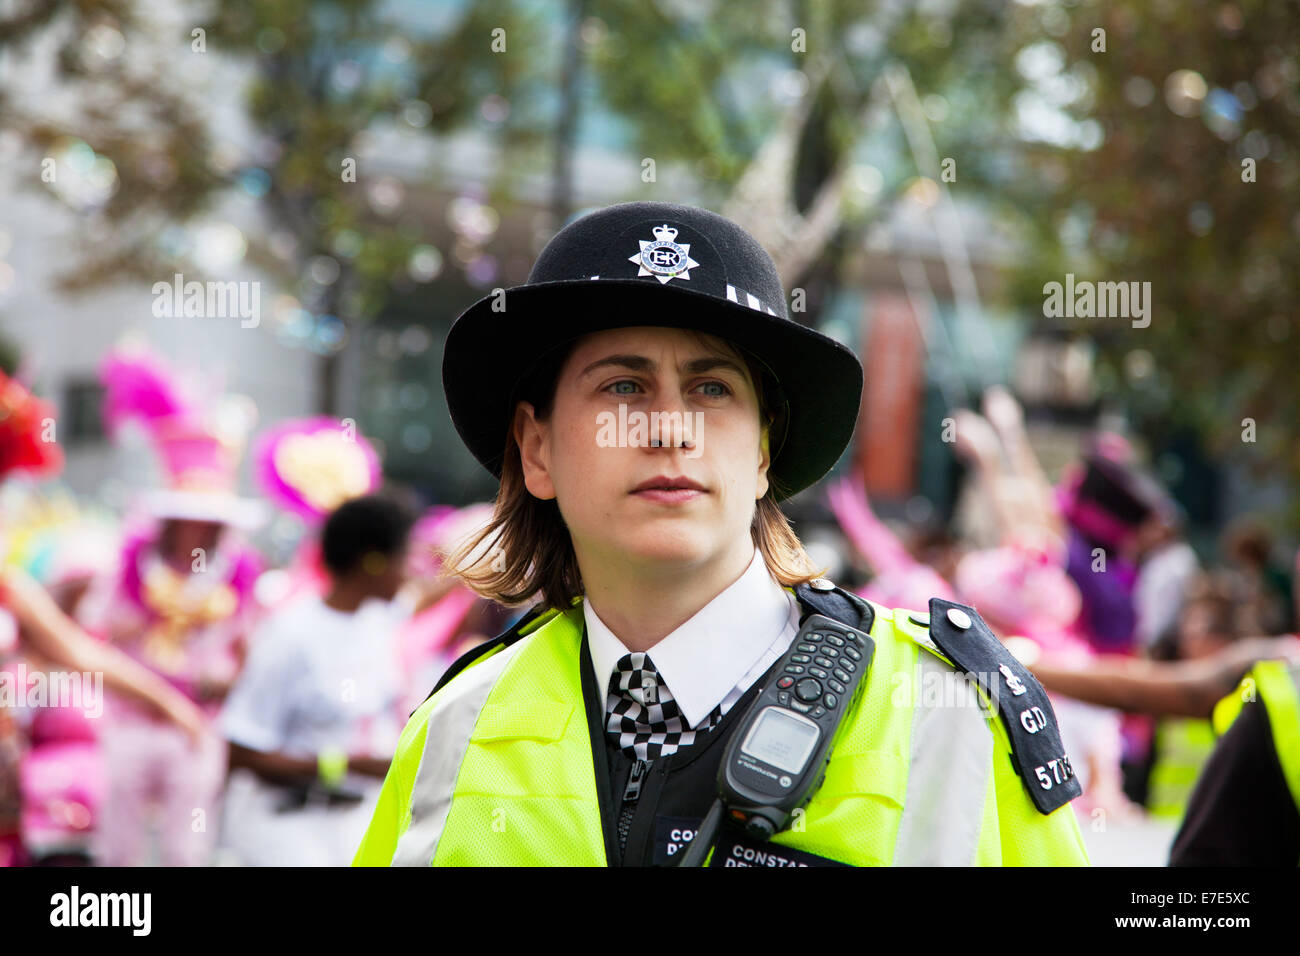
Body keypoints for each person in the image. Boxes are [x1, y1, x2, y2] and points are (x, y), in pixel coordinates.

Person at [353, 201, 1089, 867]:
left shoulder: (946, 707)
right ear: (537, 448)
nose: (672, 428)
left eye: (712, 389)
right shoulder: (458, 725)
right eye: (622, 386)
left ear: (763, 451)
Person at [218, 495, 416, 866]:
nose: (410, 572)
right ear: (372, 562)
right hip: (285, 825)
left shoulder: (379, 623)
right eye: (403, 558)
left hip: (354, 821)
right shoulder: (291, 634)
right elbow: (241, 749)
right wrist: (346, 766)